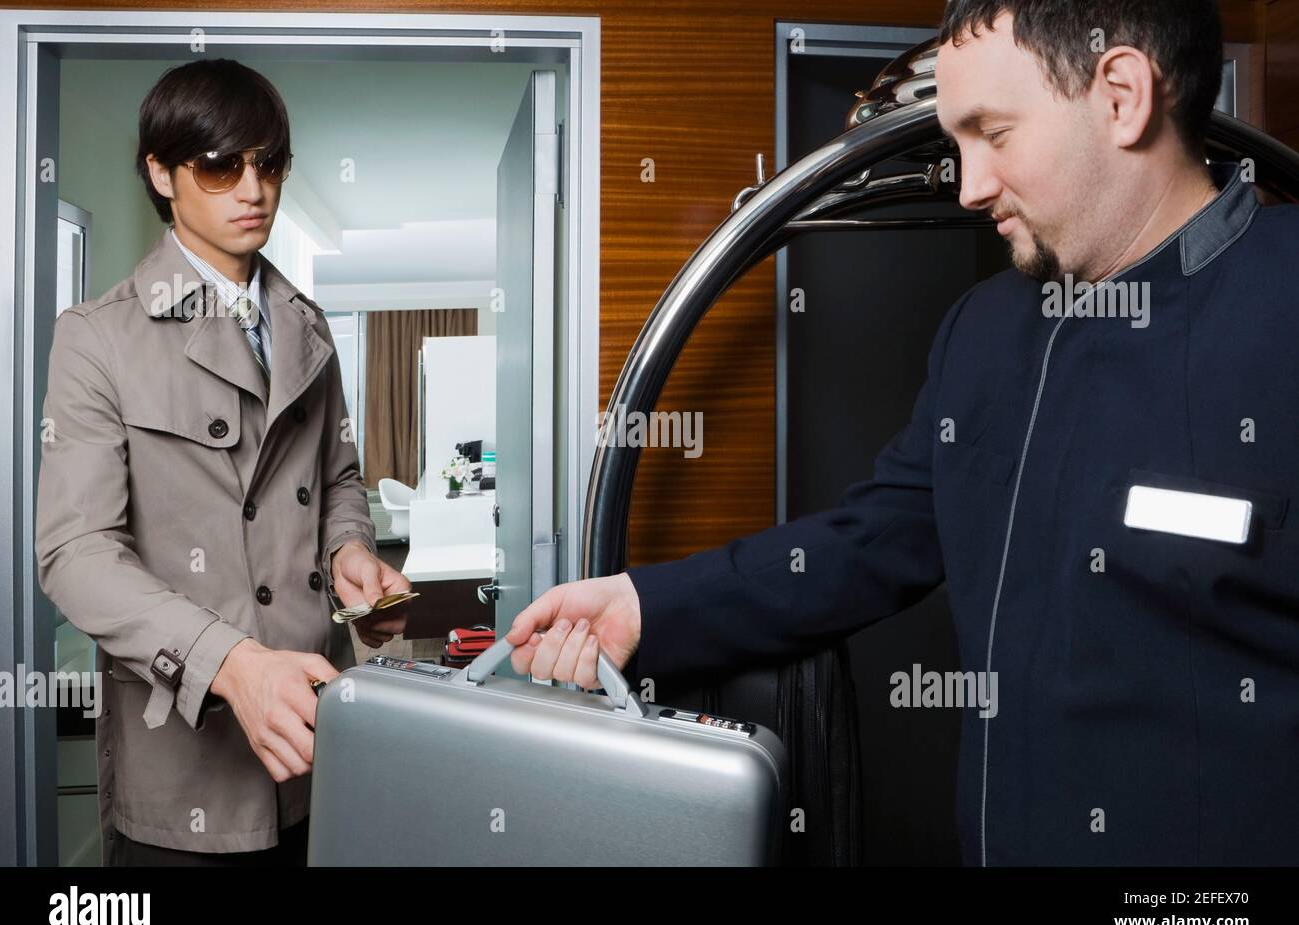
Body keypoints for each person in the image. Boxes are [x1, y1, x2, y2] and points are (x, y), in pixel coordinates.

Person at [506, 0, 1299, 866]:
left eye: (994, 133)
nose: (969, 187)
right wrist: (647, 607)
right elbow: (877, 538)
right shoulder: (985, 329)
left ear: (1121, 95)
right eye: (958, 143)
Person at [35, 59, 411, 865]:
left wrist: (350, 552)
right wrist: (231, 665)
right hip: (184, 773)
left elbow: (339, 479)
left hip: (318, 744)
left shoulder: (310, 326)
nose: (253, 188)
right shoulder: (98, 337)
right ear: (161, 174)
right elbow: (75, 552)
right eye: (219, 165)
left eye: (269, 163)